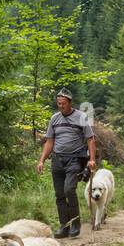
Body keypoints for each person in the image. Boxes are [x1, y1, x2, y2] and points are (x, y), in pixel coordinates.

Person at [36, 89, 96, 238]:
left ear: (70, 103)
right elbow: (50, 141)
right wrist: (42, 160)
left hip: (74, 159)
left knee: (69, 189)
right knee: (60, 194)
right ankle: (64, 226)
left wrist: (92, 159)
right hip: (57, 160)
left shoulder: (81, 117)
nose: (60, 106)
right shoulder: (54, 119)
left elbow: (90, 139)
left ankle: (75, 223)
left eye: (63, 103)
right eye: (58, 103)